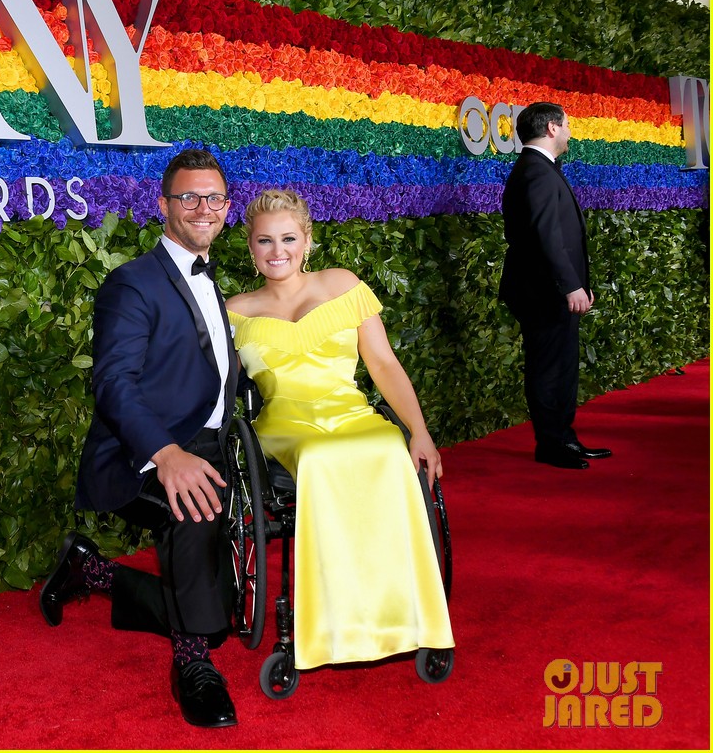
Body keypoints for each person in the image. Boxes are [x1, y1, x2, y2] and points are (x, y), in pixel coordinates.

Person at [38, 148, 240, 728]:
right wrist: (167, 454)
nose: (203, 208)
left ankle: (92, 572)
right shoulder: (131, 284)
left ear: (226, 207)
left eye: (214, 198)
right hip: (137, 451)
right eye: (189, 198)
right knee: (198, 510)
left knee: (221, 604)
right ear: (164, 206)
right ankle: (194, 665)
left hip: (208, 440)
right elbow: (113, 384)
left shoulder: (211, 277)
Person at [225, 188, 453, 672]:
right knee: (319, 458)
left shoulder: (344, 285)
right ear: (250, 248)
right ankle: (331, 628)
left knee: (388, 449)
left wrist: (418, 430)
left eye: (288, 238)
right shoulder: (235, 311)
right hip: (285, 425)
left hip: (350, 412)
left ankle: (404, 619)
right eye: (264, 241)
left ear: (307, 240)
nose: (277, 250)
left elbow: (384, 364)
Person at [499, 101, 612, 470]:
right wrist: (569, 286)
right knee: (550, 367)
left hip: (551, 290)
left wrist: (579, 284)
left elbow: (559, 236)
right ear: (550, 128)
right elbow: (547, 237)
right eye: (565, 124)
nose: (569, 130)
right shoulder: (536, 172)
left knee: (562, 366)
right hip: (543, 292)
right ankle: (551, 444)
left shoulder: (540, 169)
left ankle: (564, 438)